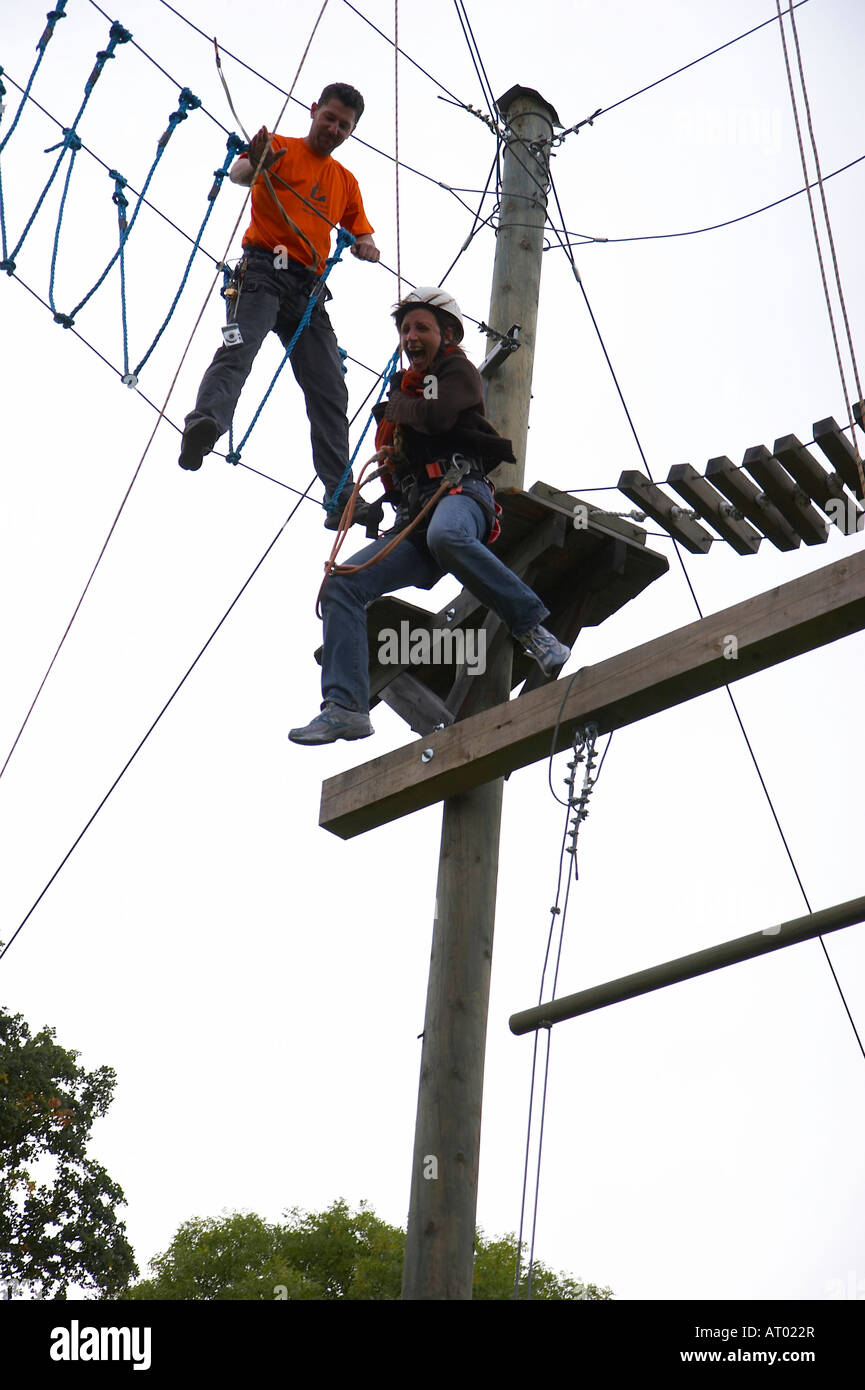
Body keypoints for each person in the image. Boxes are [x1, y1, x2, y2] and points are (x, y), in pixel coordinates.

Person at [289, 287, 571, 745]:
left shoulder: (454, 370)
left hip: (462, 496)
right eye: (405, 329)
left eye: (421, 328)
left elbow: (439, 418)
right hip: (418, 518)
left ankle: (534, 631)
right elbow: (399, 459)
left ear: (448, 334)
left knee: (448, 537)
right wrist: (387, 488)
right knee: (342, 582)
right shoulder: (404, 393)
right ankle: (345, 706)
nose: (411, 337)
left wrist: (398, 408)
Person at [178, 82, 380, 528]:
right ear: (313, 111)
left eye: (344, 125)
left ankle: (339, 493)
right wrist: (258, 161)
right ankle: (205, 424)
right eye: (329, 118)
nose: (334, 128)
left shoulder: (345, 181)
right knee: (239, 347)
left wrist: (367, 246)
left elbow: (360, 229)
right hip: (262, 272)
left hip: (308, 289)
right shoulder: (281, 149)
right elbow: (240, 174)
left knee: (330, 388)